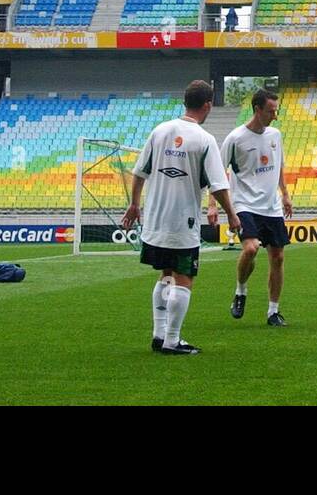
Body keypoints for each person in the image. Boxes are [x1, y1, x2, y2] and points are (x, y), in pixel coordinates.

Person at [124, 79, 237, 355]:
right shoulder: (204, 139)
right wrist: (232, 215)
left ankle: (158, 334)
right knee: (184, 277)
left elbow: (139, 172)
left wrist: (134, 205)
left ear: (185, 101)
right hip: (183, 220)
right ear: (208, 105)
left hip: (155, 217)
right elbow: (218, 185)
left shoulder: (160, 130)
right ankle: (172, 340)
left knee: (165, 277)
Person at [215, 88, 294, 326]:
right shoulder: (235, 138)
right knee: (250, 249)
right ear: (257, 109)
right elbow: (218, 172)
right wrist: (212, 206)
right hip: (244, 203)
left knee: (278, 258)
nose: (275, 115)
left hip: (271, 206)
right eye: (271, 111)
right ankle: (240, 291)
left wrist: (285, 194)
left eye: (276, 110)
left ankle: (273, 311)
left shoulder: (275, 135)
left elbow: (278, 165)